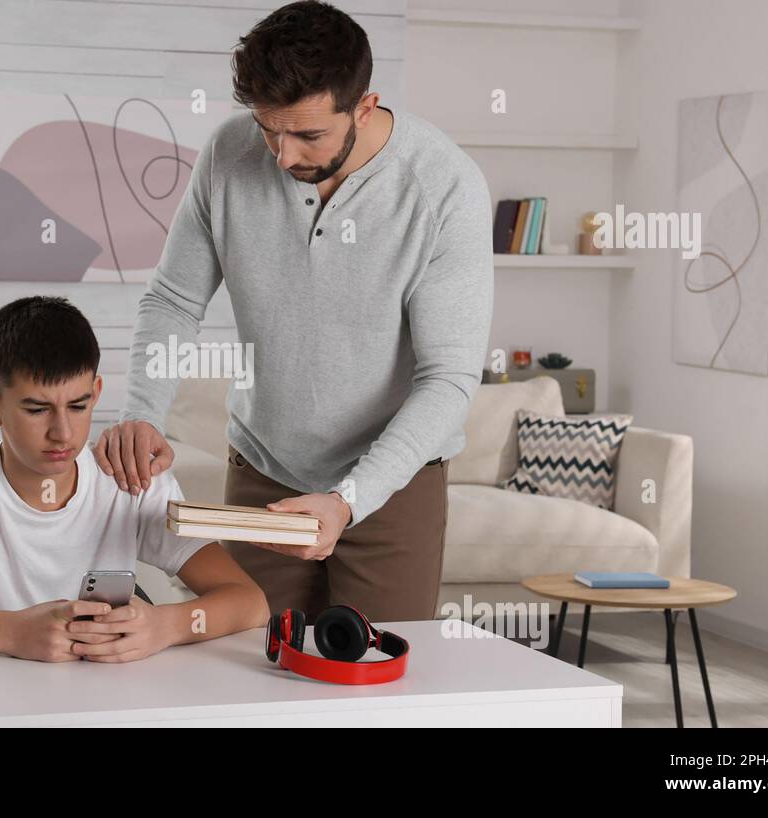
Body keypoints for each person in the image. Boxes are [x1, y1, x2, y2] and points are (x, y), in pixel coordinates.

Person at [94, 1, 493, 623]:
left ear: (364, 105)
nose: (282, 156)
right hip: (264, 468)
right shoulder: (228, 154)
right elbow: (173, 298)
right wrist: (142, 414)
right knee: (247, 667)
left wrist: (350, 498)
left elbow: (448, 378)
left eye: (308, 135)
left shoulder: (445, 188)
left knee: (371, 686)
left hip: (394, 484)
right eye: (268, 130)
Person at [0, 296, 269, 662]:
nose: (63, 433)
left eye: (77, 406)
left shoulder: (129, 482)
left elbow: (249, 602)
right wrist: (12, 633)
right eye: (37, 410)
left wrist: (164, 625)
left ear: (96, 393)